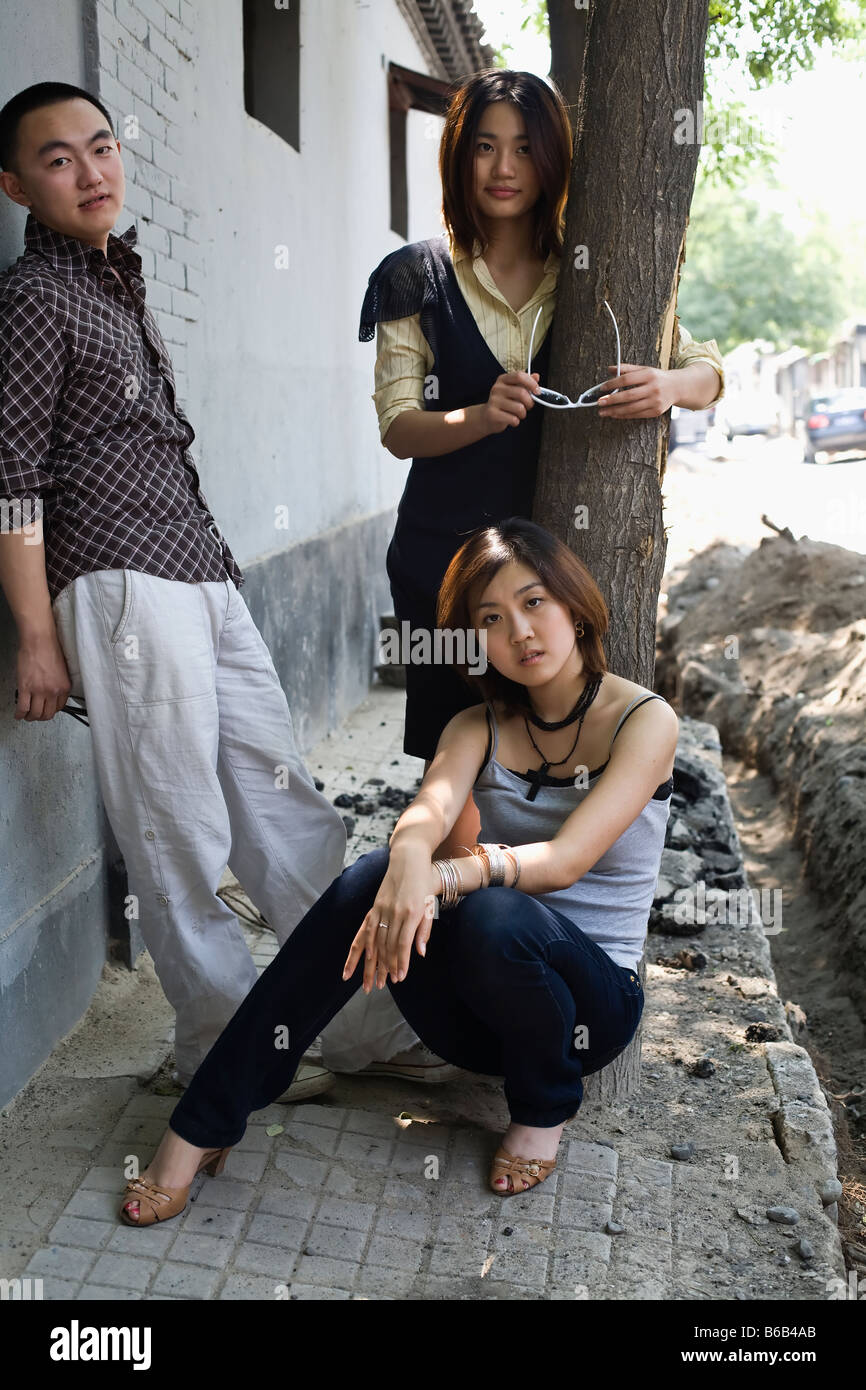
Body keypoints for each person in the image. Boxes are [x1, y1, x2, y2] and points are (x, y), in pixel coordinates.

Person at [117, 516, 679, 1223]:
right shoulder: (477, 727)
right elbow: (427, 811)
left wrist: (446, 876)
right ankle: (204, 1124)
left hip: (588, 1011)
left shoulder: (644, 720)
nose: (521, 633)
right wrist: (410, 860)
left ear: (574, 604)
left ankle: (544, 1105)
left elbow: (567, 862)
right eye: (492, 619)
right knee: (374, 875)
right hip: (468, 1021)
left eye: (535, 603)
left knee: (492, 911)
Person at [0, 82, 371, 1100]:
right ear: (16, 184)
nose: (90, 170)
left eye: (101, 146)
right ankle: (221, 1048)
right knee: (176, 824)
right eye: (59, 158)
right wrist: (37, 633)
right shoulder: (36, 298)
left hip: (200, 566)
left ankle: (346, 1016)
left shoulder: (116, 277)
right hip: (118, 579)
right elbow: (13, 476)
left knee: (277, 797)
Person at [358, 67, 722, 861]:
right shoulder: (415, 277)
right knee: (450, 755)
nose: (502, 167)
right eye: (483, 147)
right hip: (442, 564)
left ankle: (547, 916)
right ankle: (447, 915)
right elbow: (397, 424)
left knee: (559, 743)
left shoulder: (595, 276)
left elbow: (706, 370)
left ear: (553, 159)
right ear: (458, 158)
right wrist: (478, 416)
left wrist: (667, 386)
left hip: (555, 580)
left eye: (524, 148)